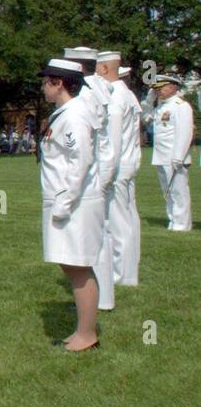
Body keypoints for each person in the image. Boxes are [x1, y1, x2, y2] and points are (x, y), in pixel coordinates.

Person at [37, 58, 100, 352]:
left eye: (45, 81)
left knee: (78, 267)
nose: (42, 87)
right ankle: (83, 331)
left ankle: (87, 334)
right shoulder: (65, 113)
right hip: (63, 200)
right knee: (72, 265)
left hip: (73, 203)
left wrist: (64, 202)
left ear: (58, 82)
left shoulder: (74, 115)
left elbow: (81, 161)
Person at [65, 46, 118, 311]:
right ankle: (102, 298)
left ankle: (96, 301)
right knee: (99, 235)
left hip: (91, 172)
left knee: (88, 242)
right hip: (99, 167)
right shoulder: (99, 89)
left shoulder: (85, 94)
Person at [95, 52, 142, 285]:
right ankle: (129, 270)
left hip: (117, 166)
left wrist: (105, 174)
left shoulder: (115, 98)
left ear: (104, 69)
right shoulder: (128, 94)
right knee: (129, 218)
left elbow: (113, 140)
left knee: (117, 222)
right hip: (128, 163)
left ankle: (122, 275)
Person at [148, 70, 193, 231]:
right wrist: (148, 102)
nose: (158, 90)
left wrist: (178, 156)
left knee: (178, 191)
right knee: (167, 191)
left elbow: (185, 132)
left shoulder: (181, 106)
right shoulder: (160, 107)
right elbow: (144, 118)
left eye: (162, 87)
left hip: (175, 156)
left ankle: (182, 224)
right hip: (161, 155)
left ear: (173, 87)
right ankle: (173, 220)